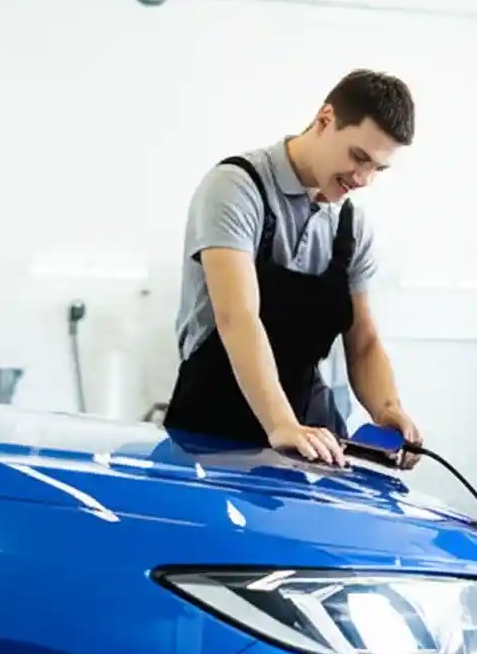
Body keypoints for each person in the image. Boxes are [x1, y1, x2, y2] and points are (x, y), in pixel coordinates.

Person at [164, 69, 424, 469]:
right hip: (213, 428)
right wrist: (282, 425)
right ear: (325, 120)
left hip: (311, 432)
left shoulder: (351, 227)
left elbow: (363, 339)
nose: (364, 178)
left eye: (379, 168)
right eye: (358, 157)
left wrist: (387, 409)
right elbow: (238, 317)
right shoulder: (235, 188)